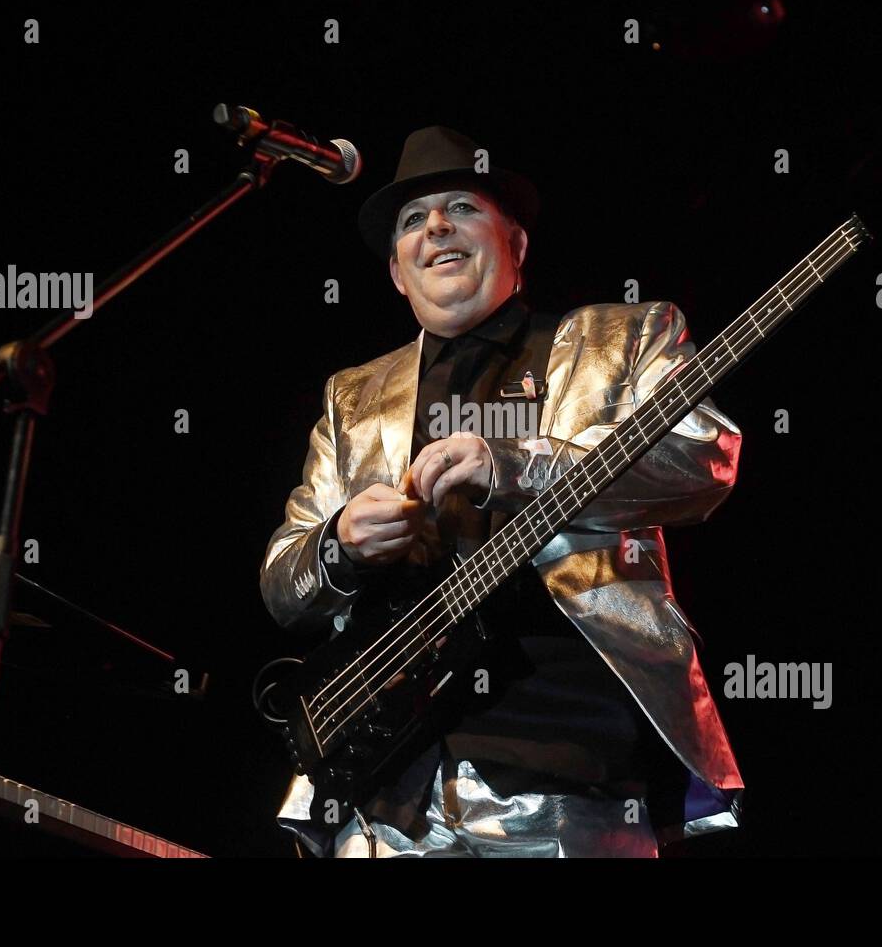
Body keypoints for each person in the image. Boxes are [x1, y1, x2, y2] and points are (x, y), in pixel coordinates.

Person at [260, 125, 745, 857]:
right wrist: (339, 546)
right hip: (387, 790)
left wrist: (515, 464)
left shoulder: (622, 338)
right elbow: (283, 583)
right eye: (412, 221)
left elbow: (704, 455)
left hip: (570, 763)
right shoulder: (353, 398)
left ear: (515, 243)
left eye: (462, 206)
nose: (436, 228)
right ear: (396, 271)